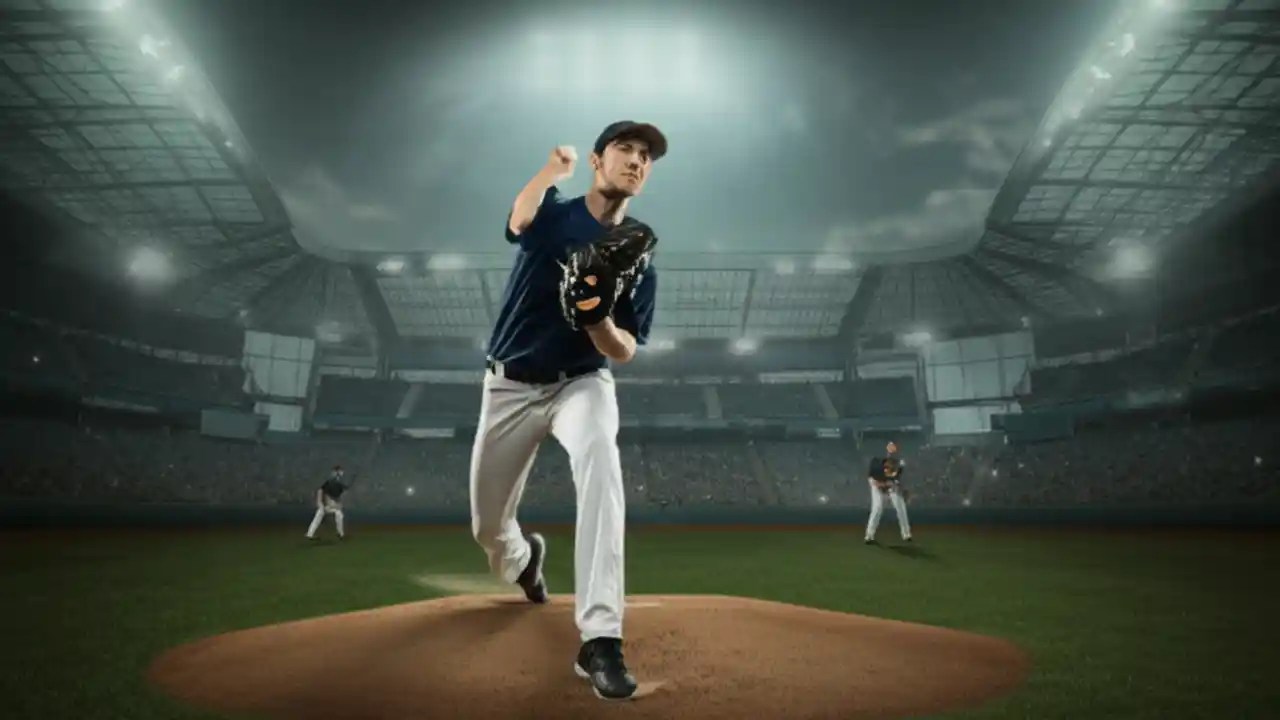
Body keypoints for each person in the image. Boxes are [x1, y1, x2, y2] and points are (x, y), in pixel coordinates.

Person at [468, 120, 665, 701]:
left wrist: (596, 315)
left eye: (647, 156)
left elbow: (625, 350)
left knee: (602, 462)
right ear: (599, 160)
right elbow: (518, 220)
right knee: (486, 527)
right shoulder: (554, 213)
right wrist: (552, 169)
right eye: (625, 149)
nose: (637, 160)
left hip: (581, 384)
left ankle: (600, 638)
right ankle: (524, 560)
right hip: (507, 384)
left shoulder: (639, 260)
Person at [864, 441, 912, 544]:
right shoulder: (875, 465)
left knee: (901, 507)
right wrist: (884, 485)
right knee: (877, 508)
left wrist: (901, 491)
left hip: (890, 486)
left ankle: (906, 534)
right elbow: (873, 481)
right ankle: (869, 535)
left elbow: (896, 481)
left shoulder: (898, 466)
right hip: (877, 486)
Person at [306, 465, 348, 540]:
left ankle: (340, 534)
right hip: (325, 505)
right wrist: (319, 502)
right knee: (319, 515)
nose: (342, 473)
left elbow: (338, 497)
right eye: (339, 471)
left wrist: (338, 505)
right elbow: (320, 490)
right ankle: (310, 534)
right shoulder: (329, 482)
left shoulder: (339, 484)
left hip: (331, 506)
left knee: (339, 515)